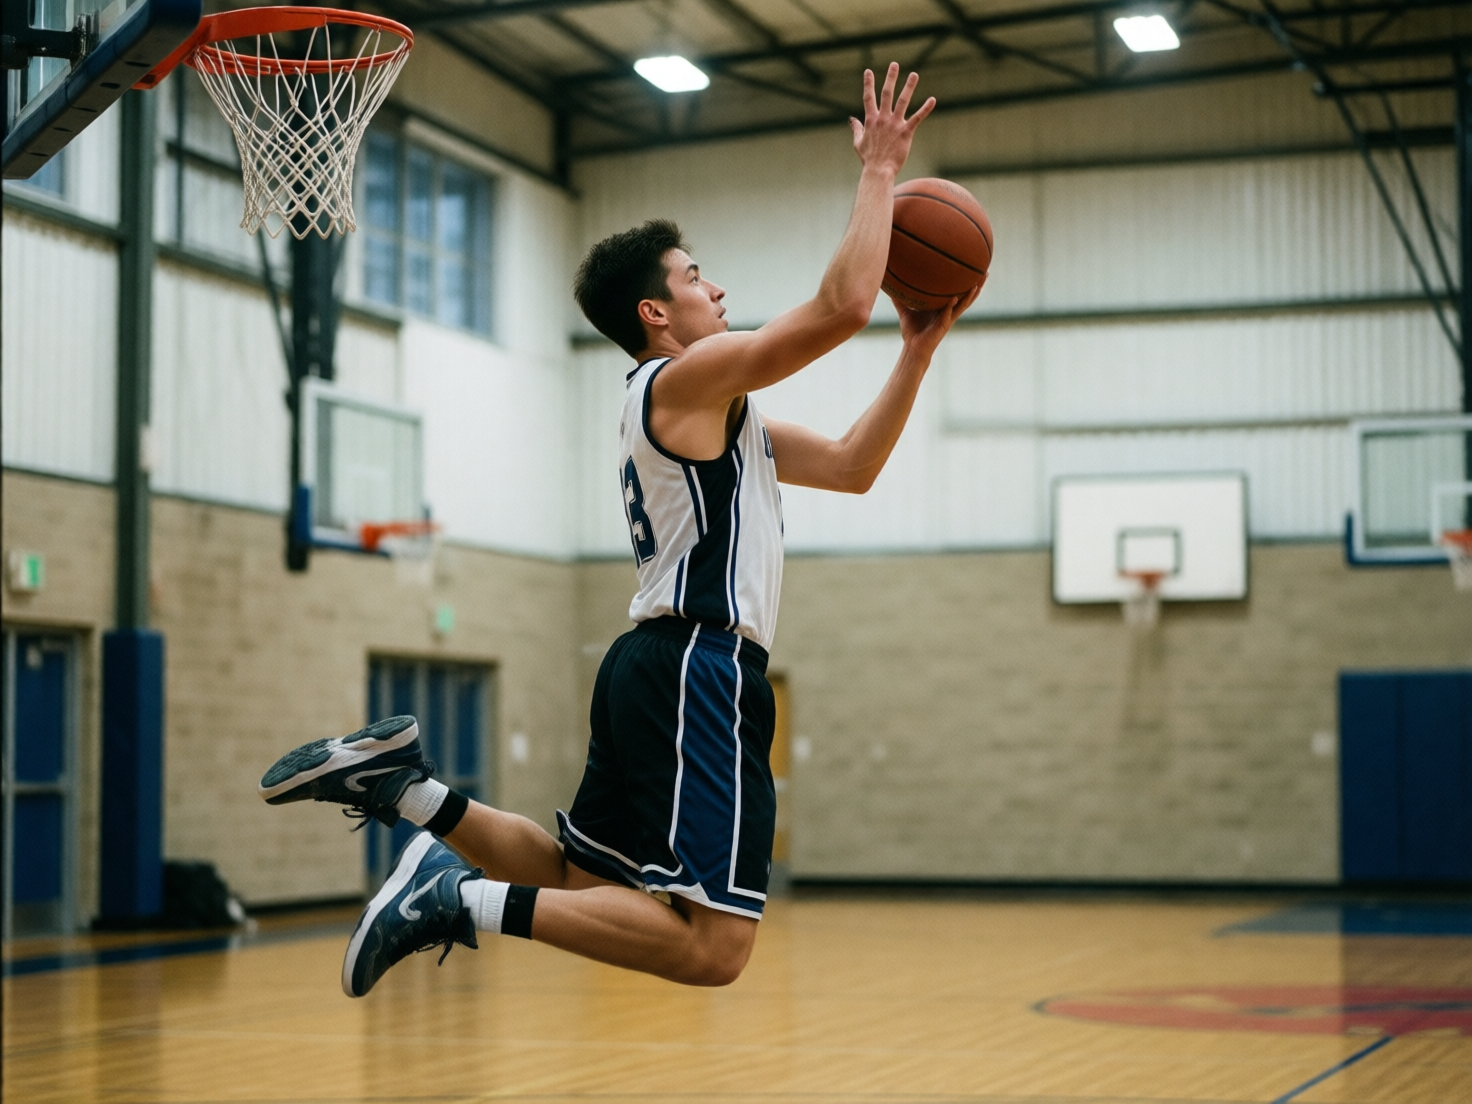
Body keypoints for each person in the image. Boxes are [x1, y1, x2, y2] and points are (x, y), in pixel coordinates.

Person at [258, 63, 983, 998]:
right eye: (693, 277)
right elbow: (841, 309)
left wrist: (917, 354)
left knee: (577, 880)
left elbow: (851, 465)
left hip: (654, 663)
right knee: (714, 948)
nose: (714, 289)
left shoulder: (723, 416)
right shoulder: (678, 383)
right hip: (698, 666)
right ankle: (454, 899)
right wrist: (880, 170)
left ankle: (409, 792)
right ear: (654, 313)